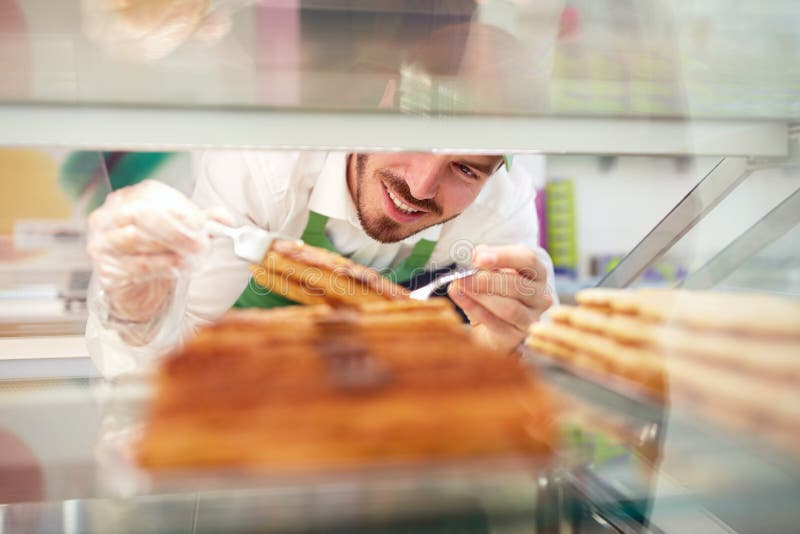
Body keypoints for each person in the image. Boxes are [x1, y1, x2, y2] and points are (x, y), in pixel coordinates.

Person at [86, 151, 557, 378]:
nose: (421, 185)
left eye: (465, 168)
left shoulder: (499, 210)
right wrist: (137, 307)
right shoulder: (261, 168)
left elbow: (505, 395)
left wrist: (509, 355)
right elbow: (160, 372)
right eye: (416, 137)